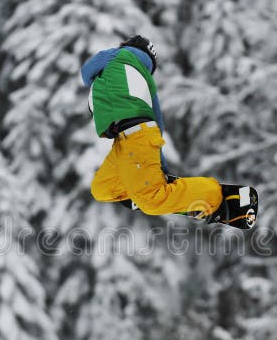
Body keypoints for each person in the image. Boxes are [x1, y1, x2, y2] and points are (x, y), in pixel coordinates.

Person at [81, 35, 226, 222]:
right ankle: (144, 186)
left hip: (135, 136)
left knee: (151, 201)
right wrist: (161, 164)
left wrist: (159, 165)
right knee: (102, 188)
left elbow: (86, 73)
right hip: (130, 138)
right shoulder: (129, 64)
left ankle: (213, 195)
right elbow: (158, 123)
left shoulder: (116, 58)